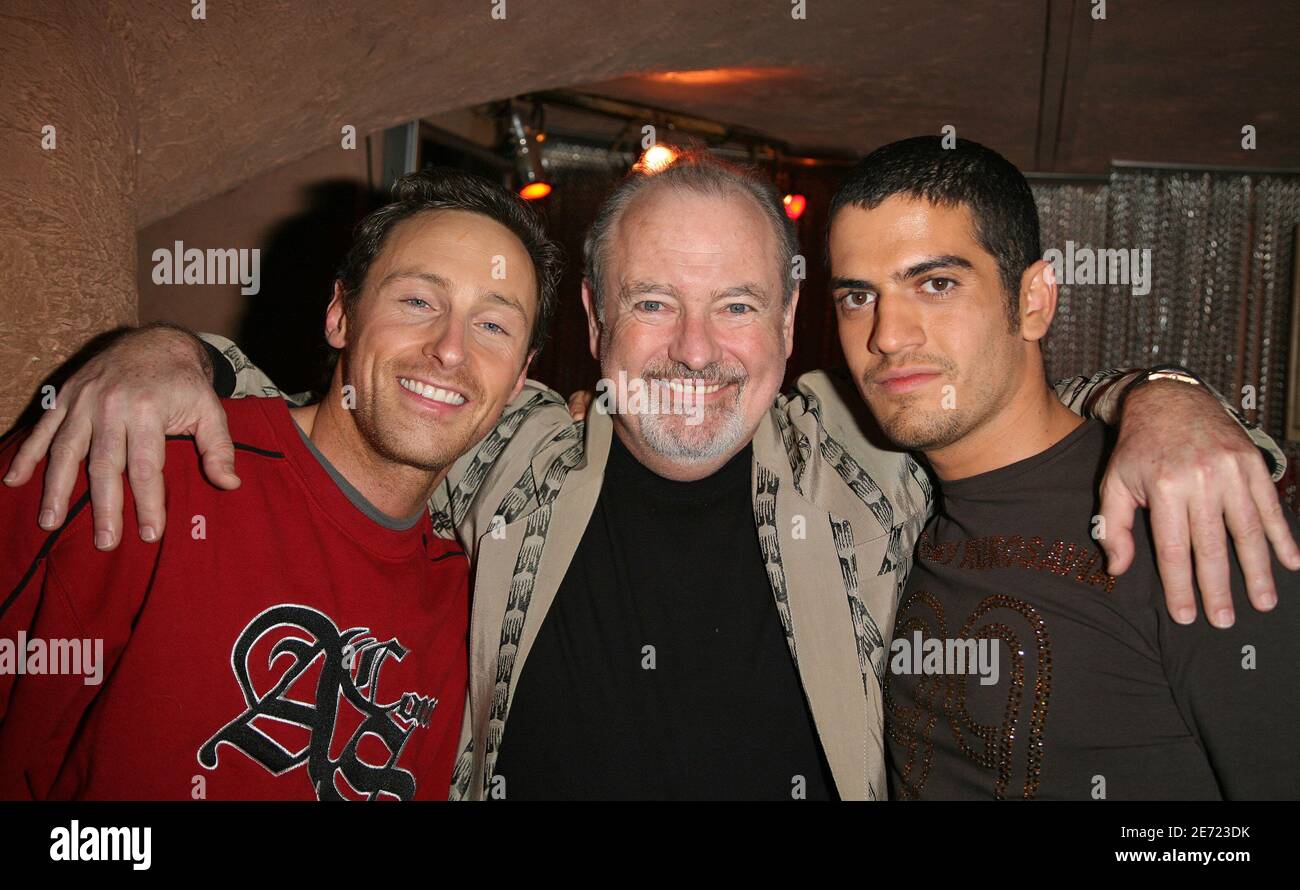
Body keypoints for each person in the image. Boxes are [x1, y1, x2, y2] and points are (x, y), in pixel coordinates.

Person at [5, 152, 1293, 801]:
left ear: (789, 329)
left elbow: (1007, 412)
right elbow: (371, 406)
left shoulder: (874, 472)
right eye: (651, 304)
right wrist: (169, 352)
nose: (691, 349)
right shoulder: (508, 461)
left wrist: (1170, 401)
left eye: (736, 304)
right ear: (591, 318)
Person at [0, 168, 562, 800]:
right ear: (341, 315)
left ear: (519, 379)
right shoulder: (134, 457)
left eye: (493, 326)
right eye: (417, 302)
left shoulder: (467, 605)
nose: (450, 350)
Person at [824, 135, 1299, 799]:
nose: (888, 335)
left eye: (936, 284)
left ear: (1034, 301)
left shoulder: (1189, 507)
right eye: (857, 297)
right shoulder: (893, 512)